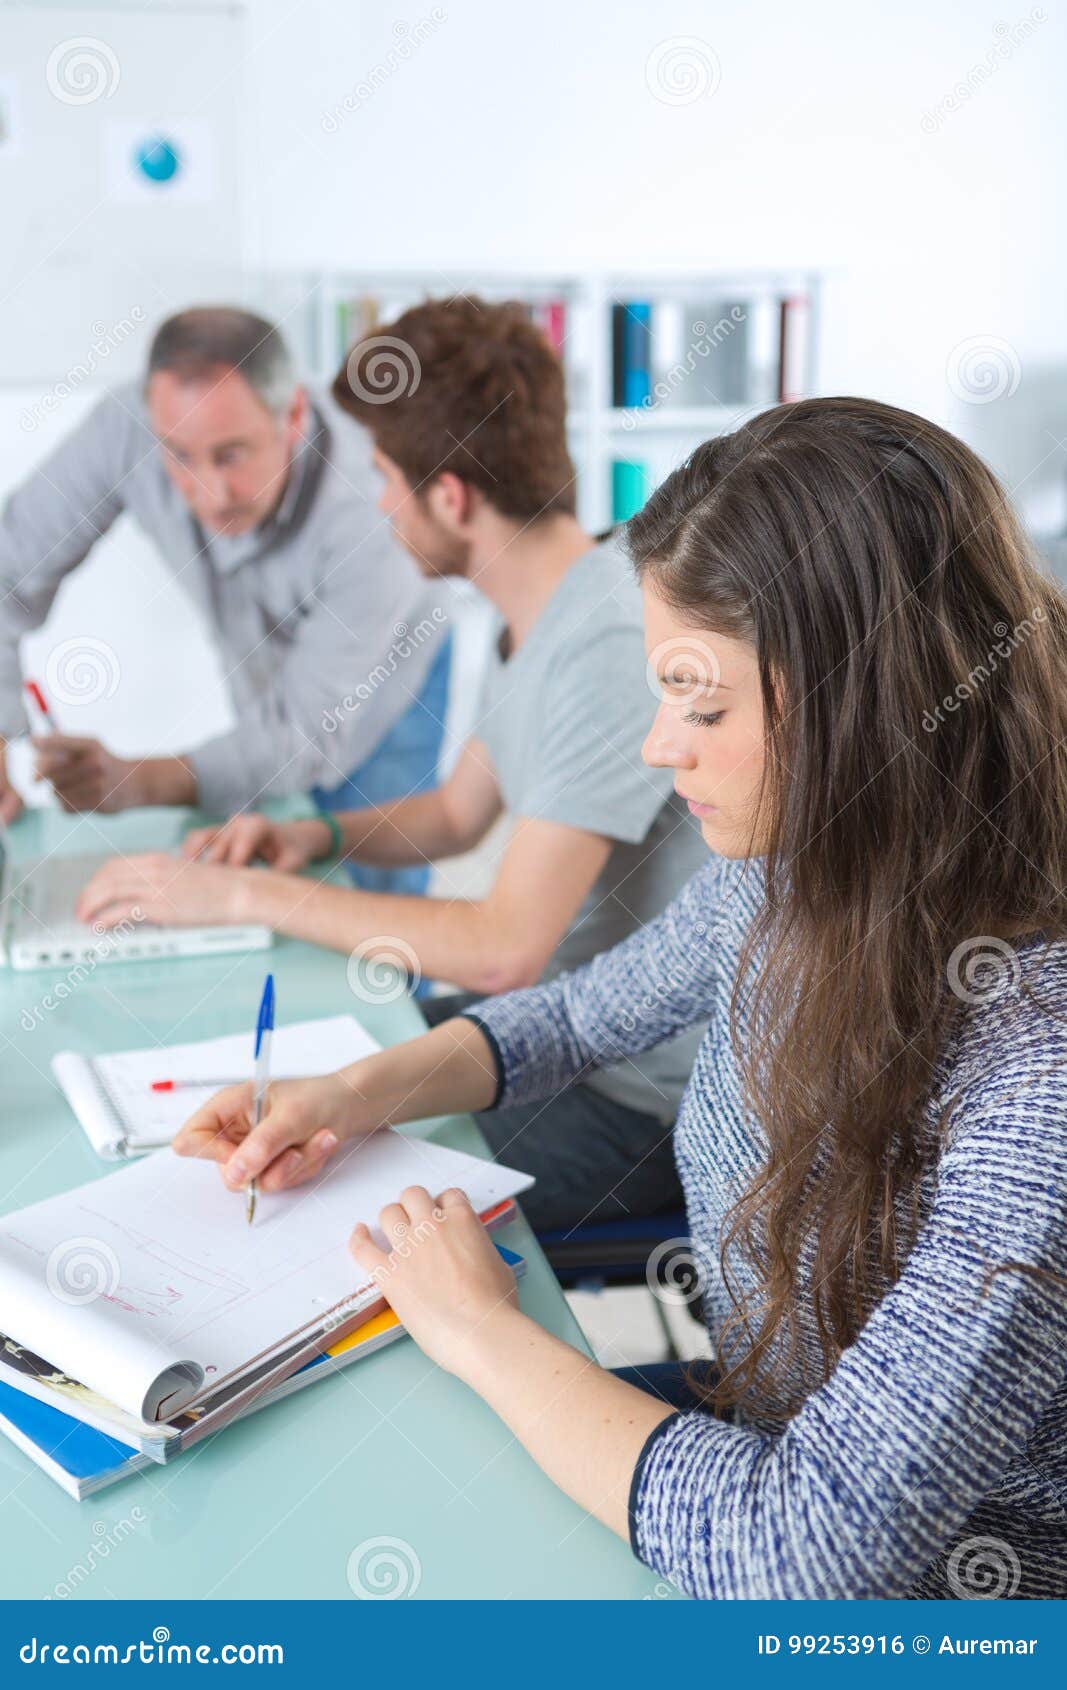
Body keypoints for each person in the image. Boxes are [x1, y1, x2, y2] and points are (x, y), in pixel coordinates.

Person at [174, 398, 1067, 1599]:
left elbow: (808, 1554)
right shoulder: (792, 873)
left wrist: (485, 1330)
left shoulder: (1033, 1073)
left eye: (701, 707)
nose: (660, 747)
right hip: (755, 1442)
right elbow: (575, 1016)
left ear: (871, 708)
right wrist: (349, 1091)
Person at [78, 297, 710, 1228]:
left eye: (384, 476)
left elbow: (504, 950)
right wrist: (308, 836)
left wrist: (242, 896)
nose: (376, 503)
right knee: (272, 1102)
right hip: (561, 1038)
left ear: (450, 496)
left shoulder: (602, 640)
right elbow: (458, 812)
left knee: (286, 1194)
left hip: (628, 1107)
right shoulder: (542, 610)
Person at [0, 307, 450, 895]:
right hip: (267, 683)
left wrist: (141, 783)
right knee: (267, 859)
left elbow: (306, 735)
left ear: (292, 415)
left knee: (375, 920)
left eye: (232, 455)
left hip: (386, 678)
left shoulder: (374, 509)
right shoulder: (125, 428)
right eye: (180, 457)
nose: (209, 496)